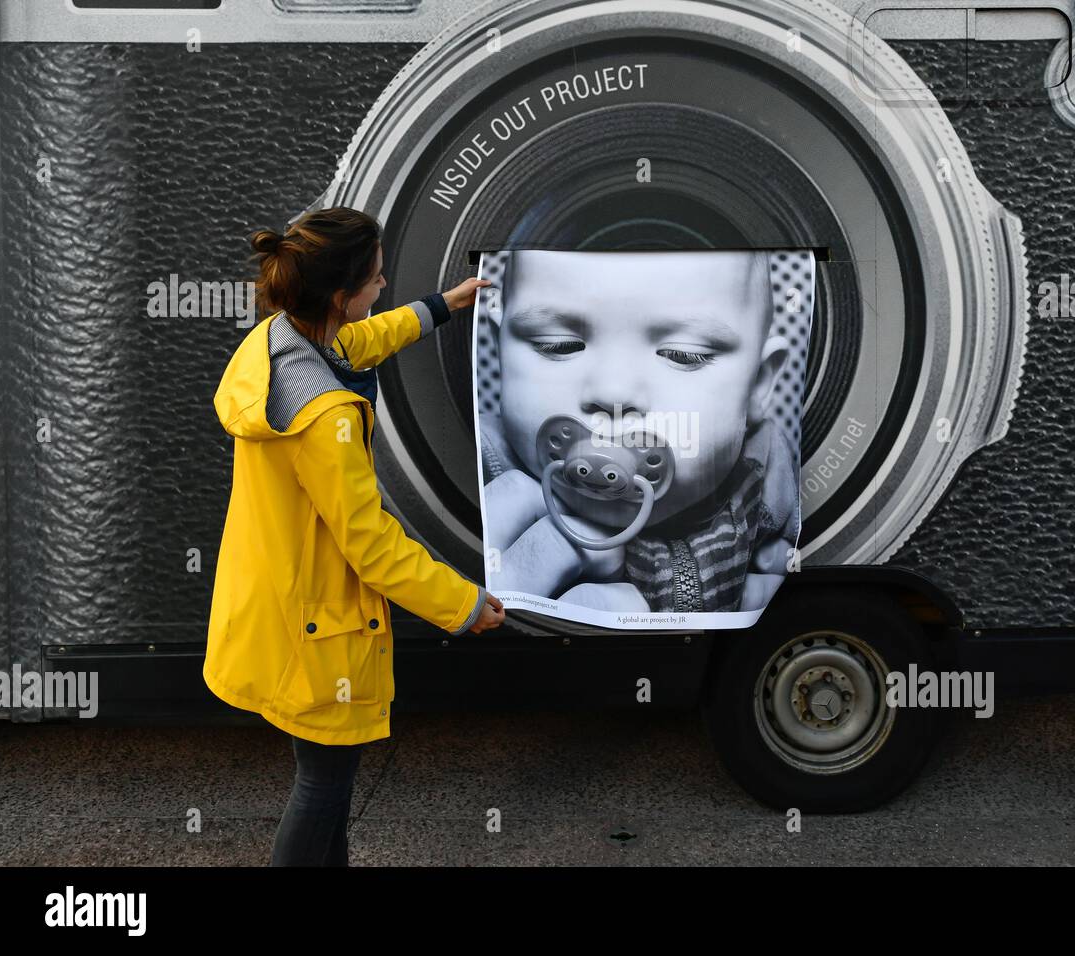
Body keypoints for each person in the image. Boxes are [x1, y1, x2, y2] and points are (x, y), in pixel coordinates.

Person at [204, 207, 505, 866]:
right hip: (317, 626)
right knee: (323, 786)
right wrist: (464, 605)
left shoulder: (283, 342)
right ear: (343, 298)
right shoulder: (326, 417)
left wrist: (443, 306)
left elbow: (362, 343)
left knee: (324, 783)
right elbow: (369, 543)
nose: (383, 283)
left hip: (277, 605)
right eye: (374, 279)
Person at [478, 249, 802, 614]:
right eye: (558, 345)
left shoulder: (771, 488)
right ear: (501, 355)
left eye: (683, 354)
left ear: (758, 384)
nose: (613, 393)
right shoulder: (464, 480)